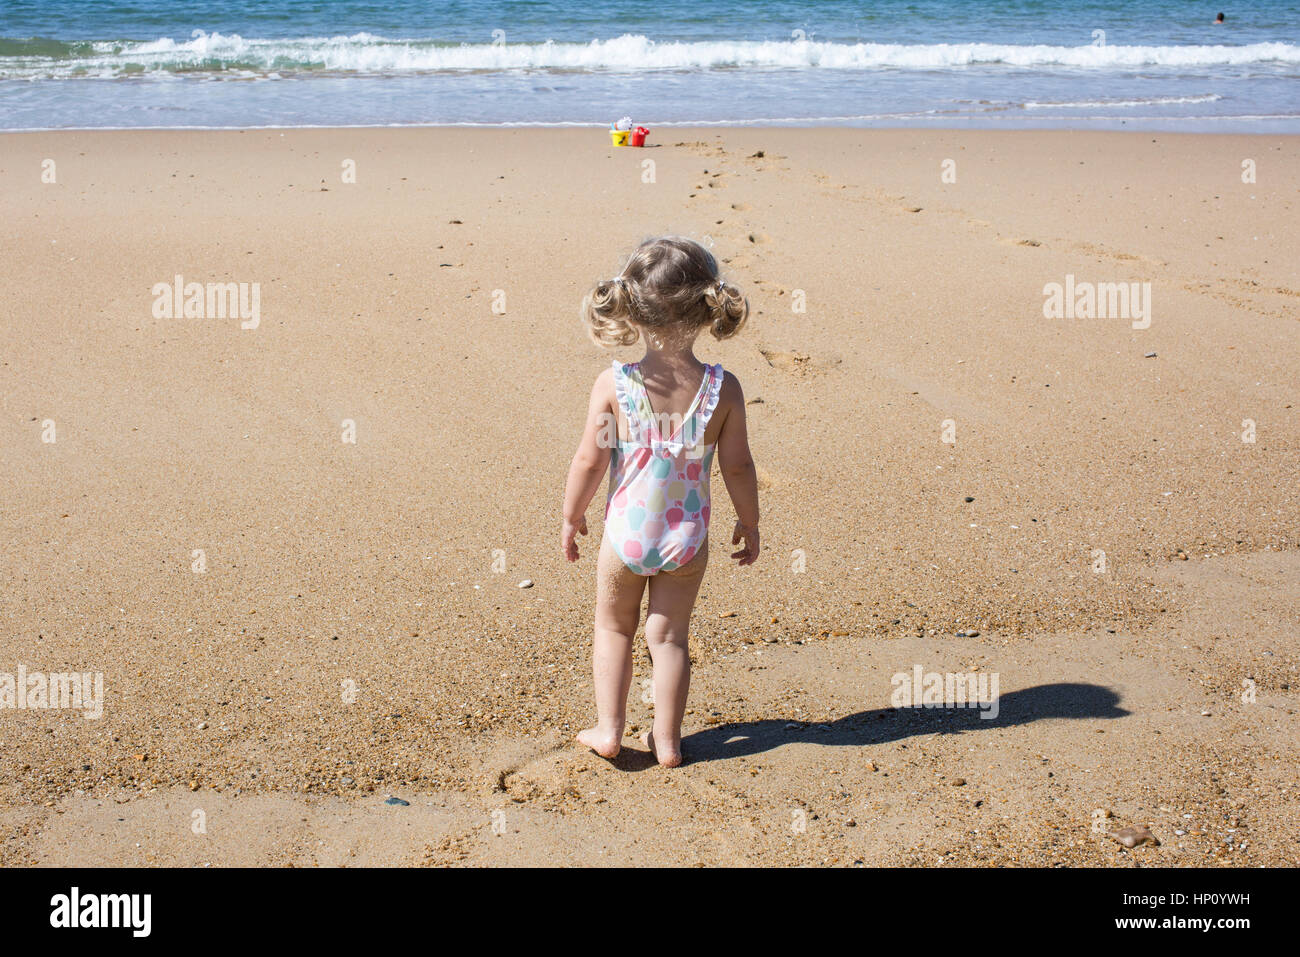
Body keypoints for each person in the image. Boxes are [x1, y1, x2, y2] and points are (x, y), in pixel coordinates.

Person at [562, 236, 761, 767]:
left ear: (632, 311)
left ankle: (609, 731)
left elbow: (590, 461)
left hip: (625, 535)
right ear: (705, 310)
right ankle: (668, 742)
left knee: (613, 627)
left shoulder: (615, 384)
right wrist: (750, 522)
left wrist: (571, 514)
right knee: (669, 638)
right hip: (687, 539)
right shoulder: (724, 388)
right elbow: (737, 465)